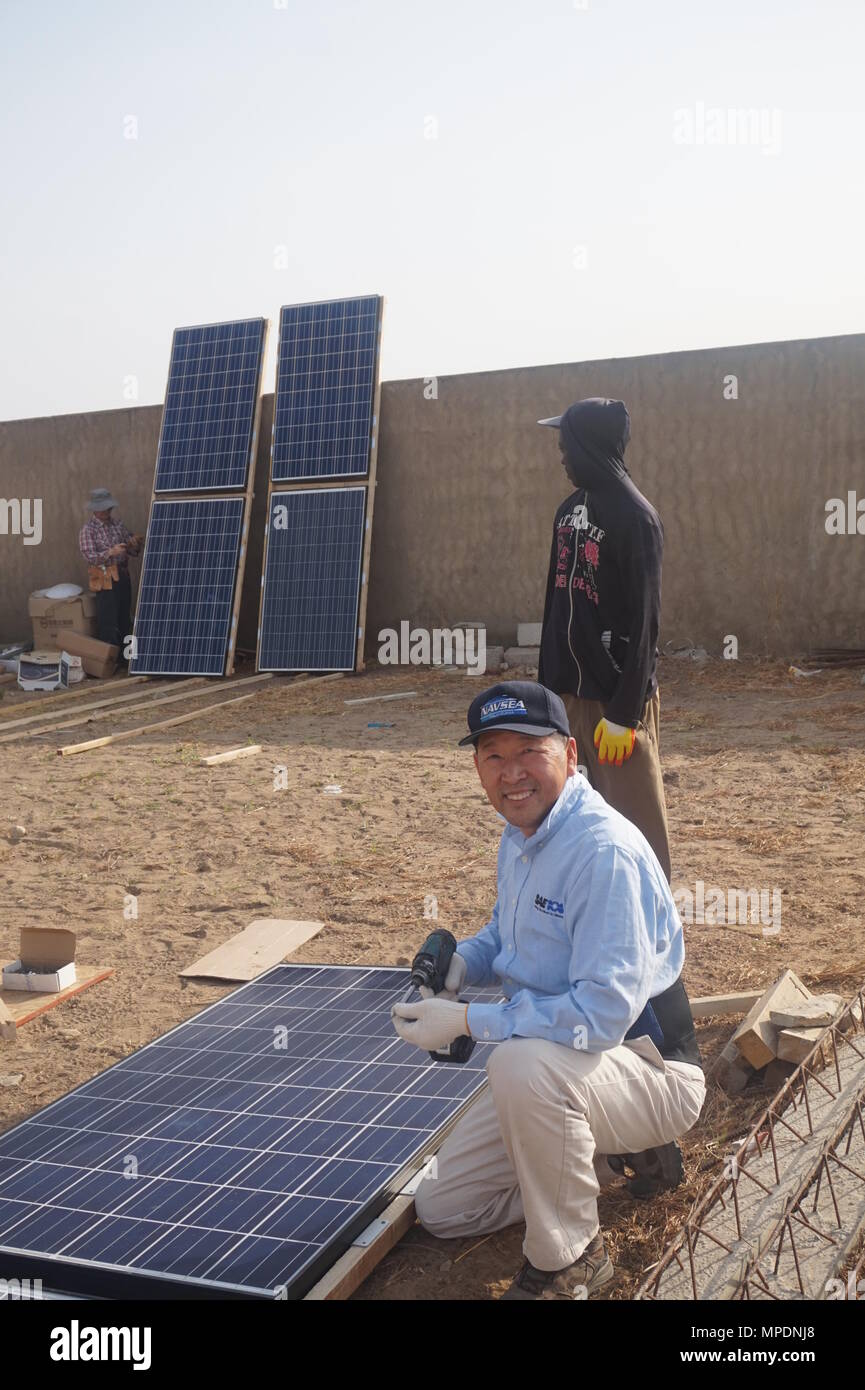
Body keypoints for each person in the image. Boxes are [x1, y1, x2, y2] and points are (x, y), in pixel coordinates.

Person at [391, 680, 705, 1301]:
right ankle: (610, 1157)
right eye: (493, 756)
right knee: (443, 1207)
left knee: (519, 1065)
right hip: (574, 1072)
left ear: (569, 752)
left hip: (650, 1070)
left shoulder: (601, 851)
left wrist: (468, 1022)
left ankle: (572, 1259)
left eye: (528, 751)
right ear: (478, 767)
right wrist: (465, 967)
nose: (511, 774)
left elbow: (601, 1015)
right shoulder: (526, 834)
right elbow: (509, 928)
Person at [536, 397, 672, 879]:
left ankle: (651, 928)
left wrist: (625, 712)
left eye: (565, 444)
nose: (561, 456)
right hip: (566, 699)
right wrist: (545, 691)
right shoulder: (567, 513)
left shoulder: (637, 519)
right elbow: (555, 605)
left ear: (586, 445)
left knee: (635, 824)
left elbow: (645, 623)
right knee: (569, 819)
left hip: (613, 707)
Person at [78, 487, 142, 658]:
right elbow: (90, 557)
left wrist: (134, 543)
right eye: (102, 508)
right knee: (108, 621)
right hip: (104, 578)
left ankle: (125, 658)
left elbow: (132, 550)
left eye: (108, 508)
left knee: (124, 617)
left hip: (122, 575)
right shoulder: (88, 530)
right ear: (95, 510)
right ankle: (108, 660)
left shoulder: (117, 525)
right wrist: (110, 553)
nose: (106, 511)